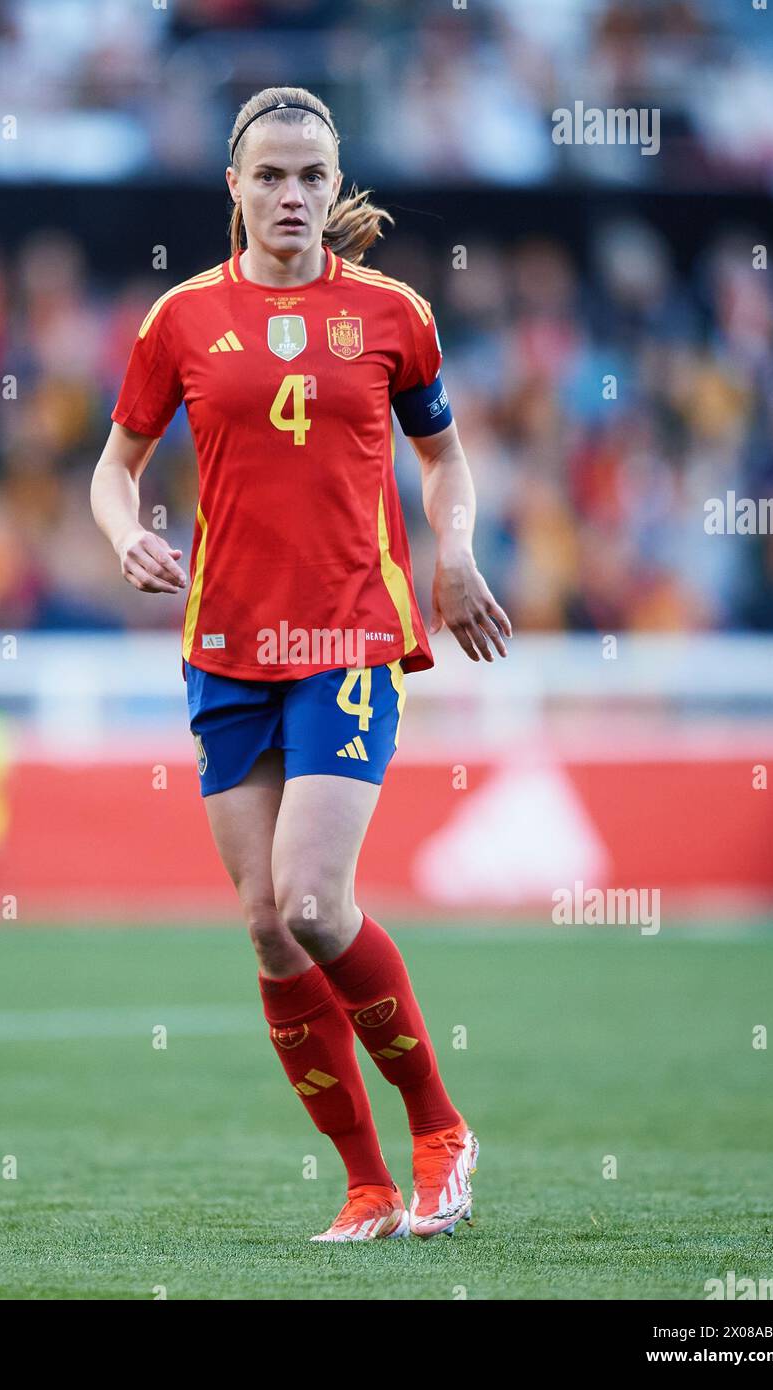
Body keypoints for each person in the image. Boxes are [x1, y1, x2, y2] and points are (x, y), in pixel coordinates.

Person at [91, 86, 511, 1241]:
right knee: (269, 926)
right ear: (232, 186)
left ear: (335, 187)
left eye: (310, 177)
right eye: (268, 175)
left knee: (317, 902)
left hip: (348, 635)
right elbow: (112, 465)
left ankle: (438, 1127)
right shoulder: (178, 320)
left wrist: (454, 550)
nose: (289, 195)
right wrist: (122, 529)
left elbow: (447, 461)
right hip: (224, 646)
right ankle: (367, 1183)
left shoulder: (390, 313)